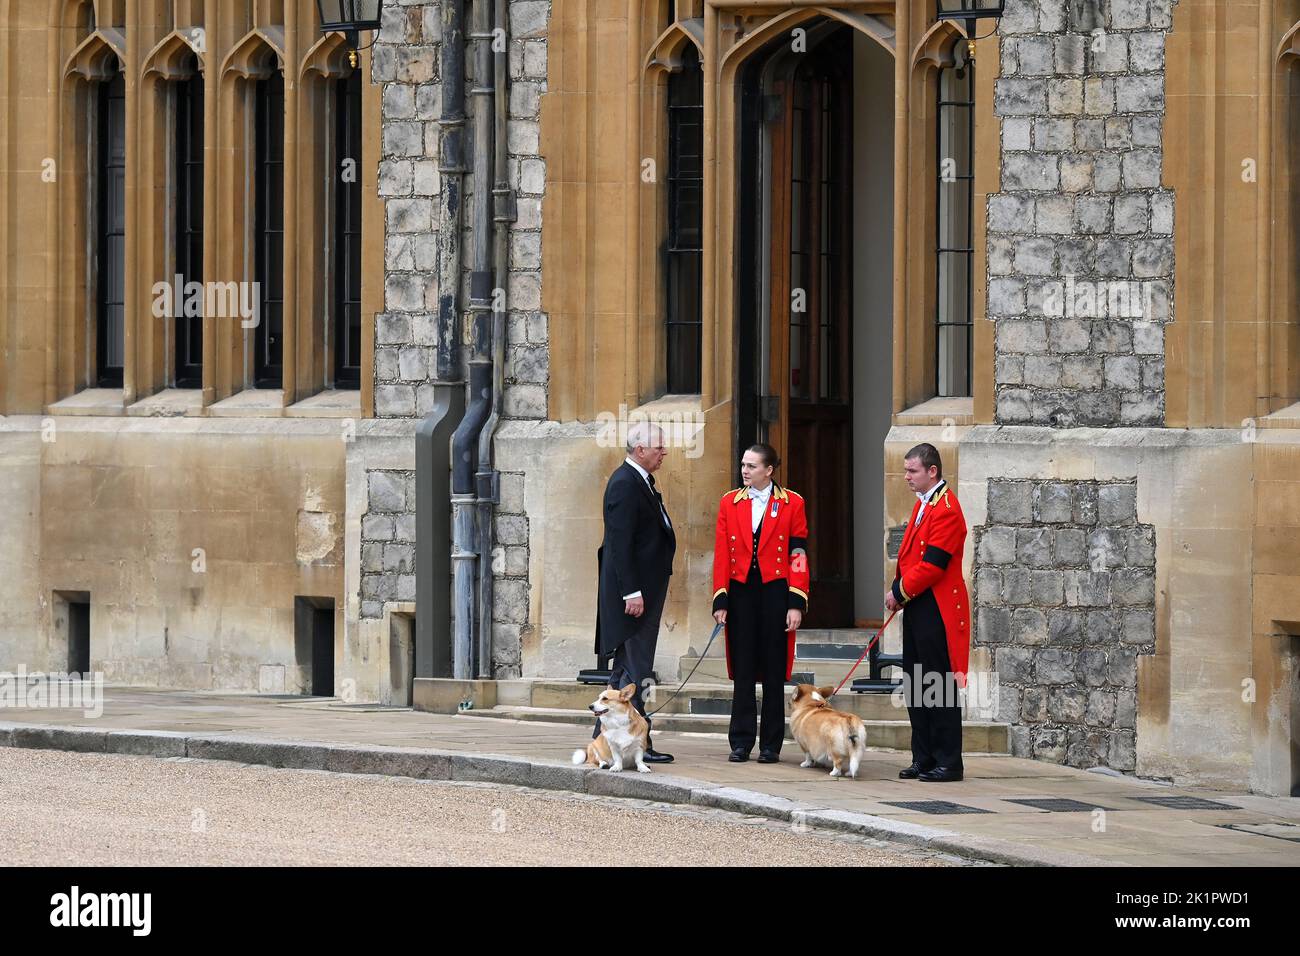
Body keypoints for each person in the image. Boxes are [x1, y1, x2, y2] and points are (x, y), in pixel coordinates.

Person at [712, 444, 809, 763]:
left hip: (776, 594)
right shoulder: (730, 501)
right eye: (743, 465)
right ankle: (740, 742)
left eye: (752, 466)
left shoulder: (793, 502)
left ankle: (770, 745)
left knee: (772, 669)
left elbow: (798, 555)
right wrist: (721, 598)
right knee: (742, 668)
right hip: (741, 593)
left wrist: (796, 602)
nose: (745, 470)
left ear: (769, 470)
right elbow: (722, 554)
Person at [886, 443, 970, 783]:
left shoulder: (946, 508)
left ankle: (949, 760)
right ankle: (924, 756)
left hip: (937, 605)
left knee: (938, 684)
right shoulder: (925, 505)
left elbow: (933, 565)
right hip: (920, 603)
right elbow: (910, 559)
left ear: (932, 471)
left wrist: (898, 591)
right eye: (906, 470)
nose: (906, 477)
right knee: (917, 682)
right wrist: (902, 592)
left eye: (912, 471)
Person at [594, 421, 676, 763]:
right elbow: (619, 545)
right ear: (640, 449)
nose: (664, 453)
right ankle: (638, 743)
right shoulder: (625, 484)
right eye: (658, 447)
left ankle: (605, 743)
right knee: (634, 670)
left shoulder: (640, 481)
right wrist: (631, 592)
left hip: (644, 592)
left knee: (627, 672)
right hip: (634, 597)